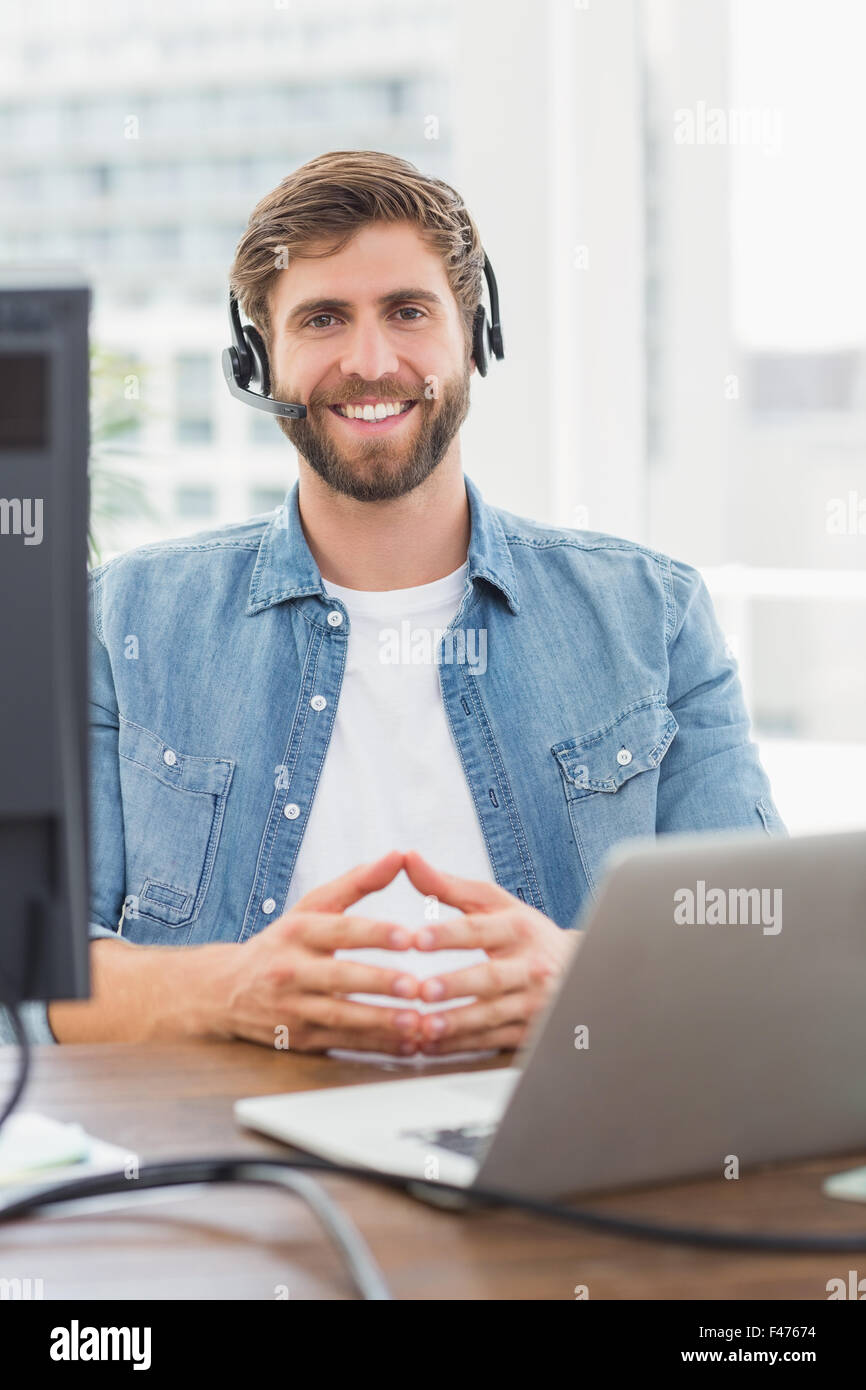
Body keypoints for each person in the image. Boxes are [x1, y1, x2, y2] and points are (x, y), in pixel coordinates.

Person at [3, 150, 786, 1055]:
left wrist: (590, 981)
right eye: (324, 319)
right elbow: (34, 987)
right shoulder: (122, 620)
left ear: (474, 338)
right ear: (257, 359)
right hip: (236, 1163)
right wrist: (230, 986)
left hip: (544, 1153)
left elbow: (758, 948)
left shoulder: (654, 614)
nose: (369, 362)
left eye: (408, 312)